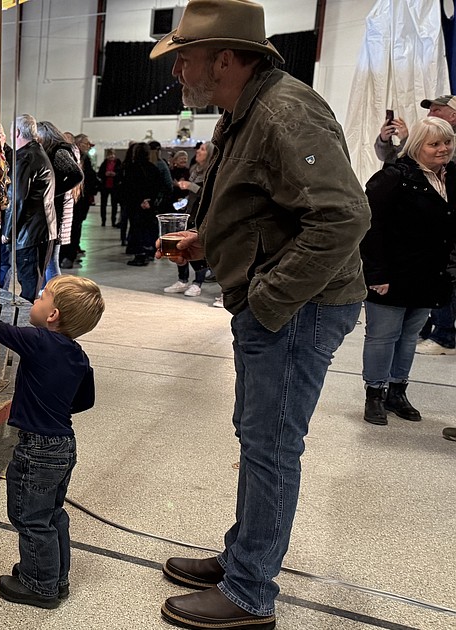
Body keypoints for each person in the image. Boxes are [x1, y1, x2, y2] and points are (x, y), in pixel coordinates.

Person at [151, 1, 370, 628]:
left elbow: (343, 217)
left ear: (223, 57)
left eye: (184, 58)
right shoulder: (246, 109)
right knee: (259, 441)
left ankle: (249, 592)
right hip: (281, 303)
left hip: (298, 308)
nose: (178, 73)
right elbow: (262, 204)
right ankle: (243, 554)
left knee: (271, 447)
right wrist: (208, 241)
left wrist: (270, 300)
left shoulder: (282, 112)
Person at [0, 275, 104, 609]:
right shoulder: (78, 355)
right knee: (53, 514)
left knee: (30, 517)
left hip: (37, 449)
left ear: (53, 315)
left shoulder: (39, 341)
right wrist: (55, 404)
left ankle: (39, 586)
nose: (35, 298)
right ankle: (55, 578)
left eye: (42, 296)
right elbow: (85, 400)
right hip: (64, 444)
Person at [359, 117, 456, 425]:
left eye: (447, 142)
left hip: (429, 274)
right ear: (417, 146)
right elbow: (370, 228)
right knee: (382, 336)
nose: (443, 149)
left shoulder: (451, 177)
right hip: (391, 274)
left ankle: (397, 391)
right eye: (434, 143)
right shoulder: (393, 178)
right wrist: (376, 274)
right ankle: (374, 392)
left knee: (409, 337)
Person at [2, 114, 55, 301]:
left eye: (10, 133)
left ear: (17, 132)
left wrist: (6, 232)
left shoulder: (25, 157)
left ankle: (27, 327)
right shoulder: (38, 153)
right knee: (34, 284)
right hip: (43, 231)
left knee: (29, 287)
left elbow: (17, 200)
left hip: (30, 234)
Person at [36, 122, 83, 282]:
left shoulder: (60, 150)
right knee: (48, 260)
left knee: (51, 261)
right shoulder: (57, 150)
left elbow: (77, 175)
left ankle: (55, 296)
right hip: (55, 211)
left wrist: (52, 192)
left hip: (58, 213)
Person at [165, 143, 214, 298]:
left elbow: (208, 194)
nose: (198, 151)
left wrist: (189, 185)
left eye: (203, 149)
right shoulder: (194, 170)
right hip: (189, 213)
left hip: (202, 216)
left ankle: (197, 283)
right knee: (181, 247)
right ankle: (182, 280)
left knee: (197, 250)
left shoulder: (212, 172)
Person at [374, 94, 456, 164]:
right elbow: (389, 158)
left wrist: (406, 141)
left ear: (453, 116)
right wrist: (384, 140)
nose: (429, 115)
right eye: (430, 110)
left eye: (436, 110)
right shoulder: (427, 135)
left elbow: (442, 163)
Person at [119, 142, 164, 265]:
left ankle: (140, 255)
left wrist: (140, 201)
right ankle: (149, 252)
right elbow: (158, 186)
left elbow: (129, 188)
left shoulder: (131, 168)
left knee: (136, 229)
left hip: (136, 205)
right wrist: (149, 200)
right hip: (149, 204)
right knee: (147, 229)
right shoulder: (153, 168)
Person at [62, 134, 98, 268]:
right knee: (71, 228)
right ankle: (67, 255)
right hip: (74, 199)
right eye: (86, 143)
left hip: (80, 200)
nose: (88, 146)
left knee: (75, 228)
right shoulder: (73, 157)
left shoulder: (84, 158)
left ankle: (70, 254)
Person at [97, 148, 121, 226]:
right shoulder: (104, 163)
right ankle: (103, 220)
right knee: (103, 204)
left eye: (113, 154)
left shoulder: (118, 162)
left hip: (115, 187)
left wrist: (115, 174)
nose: (111, 156)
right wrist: (105, 174)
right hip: (105, 186)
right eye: (110, 154)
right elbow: (100, 173)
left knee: (114, 204)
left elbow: (121, 173)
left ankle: (113, 221)